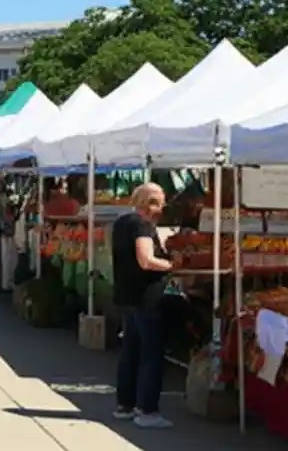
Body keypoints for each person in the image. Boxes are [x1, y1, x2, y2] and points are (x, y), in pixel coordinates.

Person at [112, 182, 174, 429]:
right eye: (160, 203)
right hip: (146, 297)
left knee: (131, 351)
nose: (162, 208)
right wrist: (171, 265)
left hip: (127, 295)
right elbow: (146, 260)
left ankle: (125, 404)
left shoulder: (121, 222)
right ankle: (147, 409)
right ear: (151, 204)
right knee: (151, 353)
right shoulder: (142, 225)